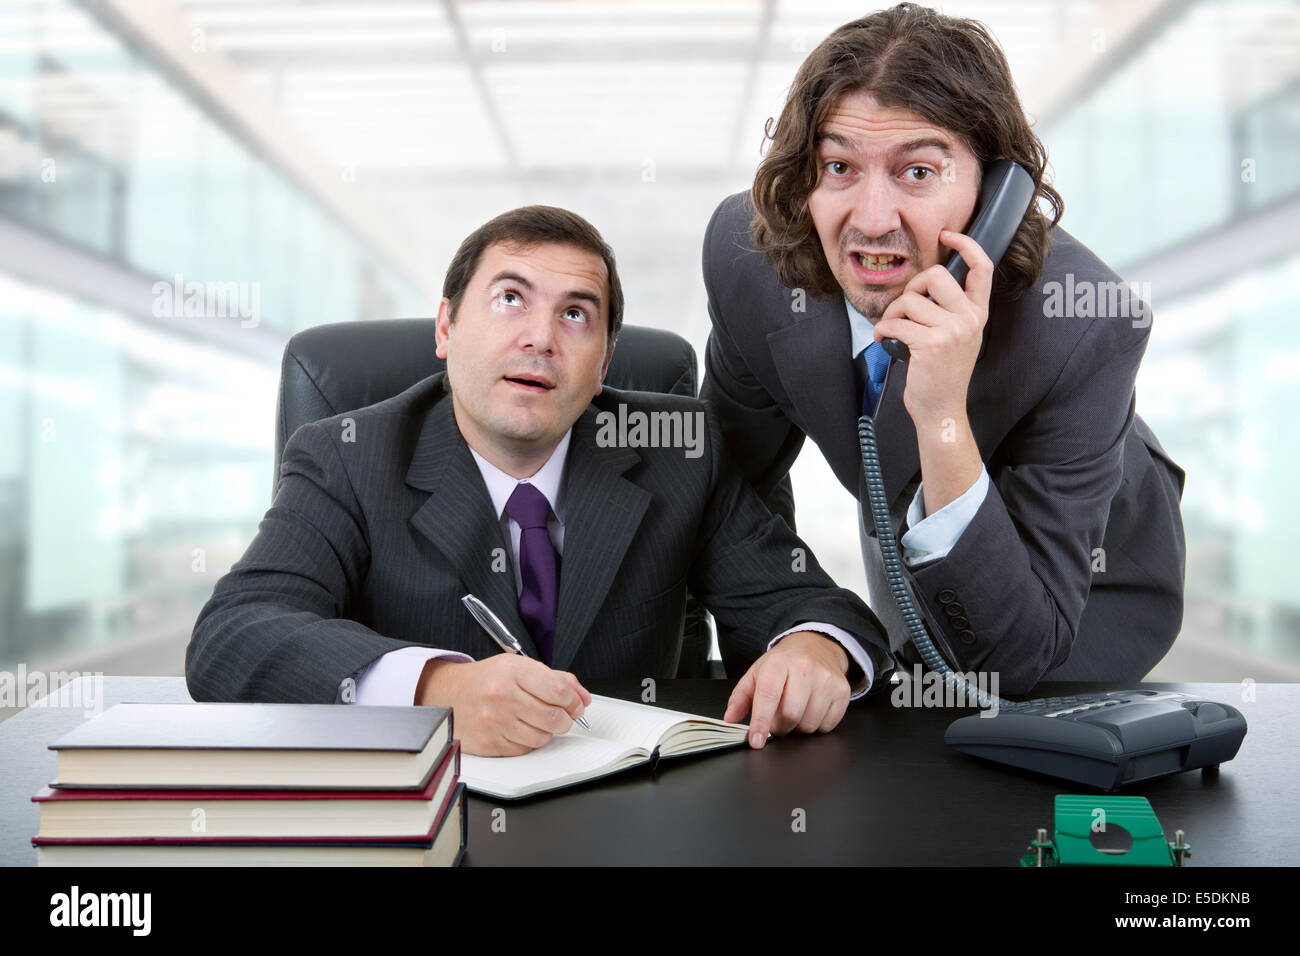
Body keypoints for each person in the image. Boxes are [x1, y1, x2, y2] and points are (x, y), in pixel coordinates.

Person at [187, 205, 894, 756]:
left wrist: (814, 648)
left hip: (623, 818)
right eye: (509, 300)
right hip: (425, 817)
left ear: (605, 362)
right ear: (446, 327)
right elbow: (233, 635)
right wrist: (438, 689)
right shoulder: (345, 456)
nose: (540, 338)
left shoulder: (681, 453)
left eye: (575, 314)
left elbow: (820, 607)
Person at [699, 3, 1186, 693]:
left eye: (917, 173)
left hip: (1089, 590)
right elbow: (727, 488)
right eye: (839, 165)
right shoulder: (745, 259)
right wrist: (801, 627)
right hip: (912, 546)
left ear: (994, 192)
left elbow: (1018, 655)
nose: (870, 221)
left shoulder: (1082, 325)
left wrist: (942, 416)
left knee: (1004, 758)